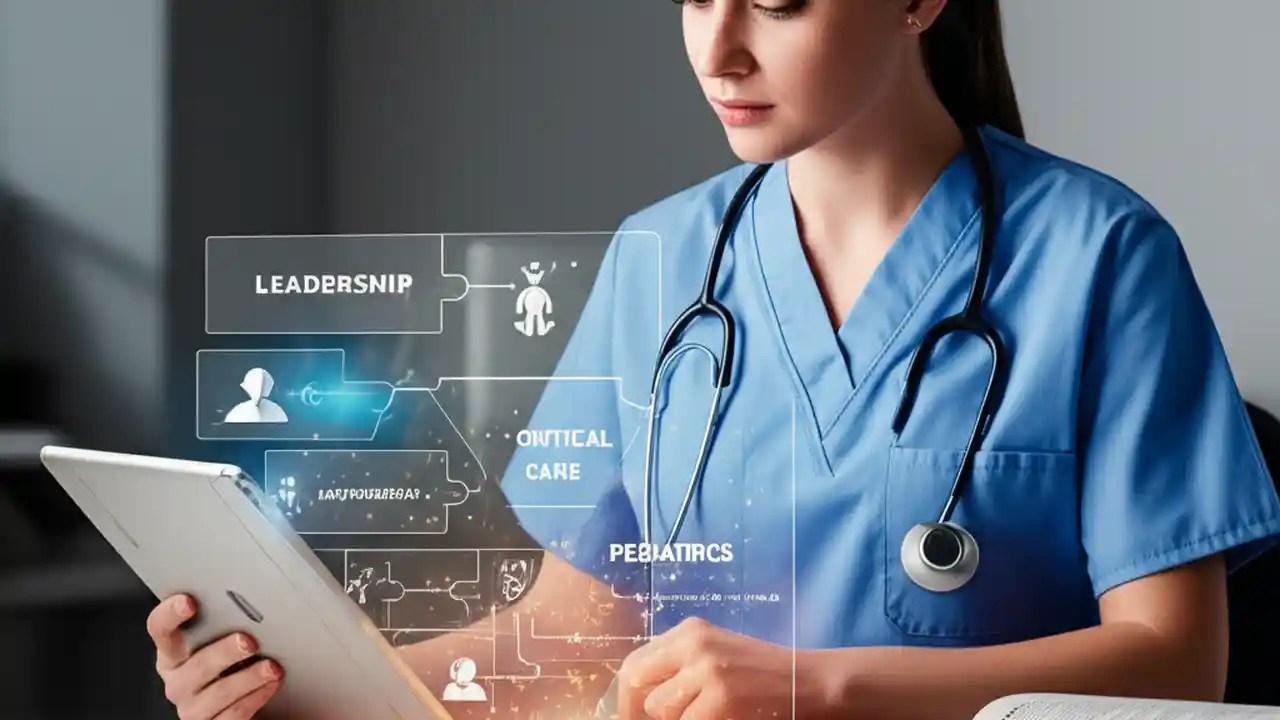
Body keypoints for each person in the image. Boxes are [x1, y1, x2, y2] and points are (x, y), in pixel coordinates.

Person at [145, 1, 1280, 718]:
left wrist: (815, 692)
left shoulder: (1099, 257)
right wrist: (302, 692)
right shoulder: (664, 254)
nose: (719, 48)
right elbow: (571, 642)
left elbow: (1177, 667)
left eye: (776, 2)